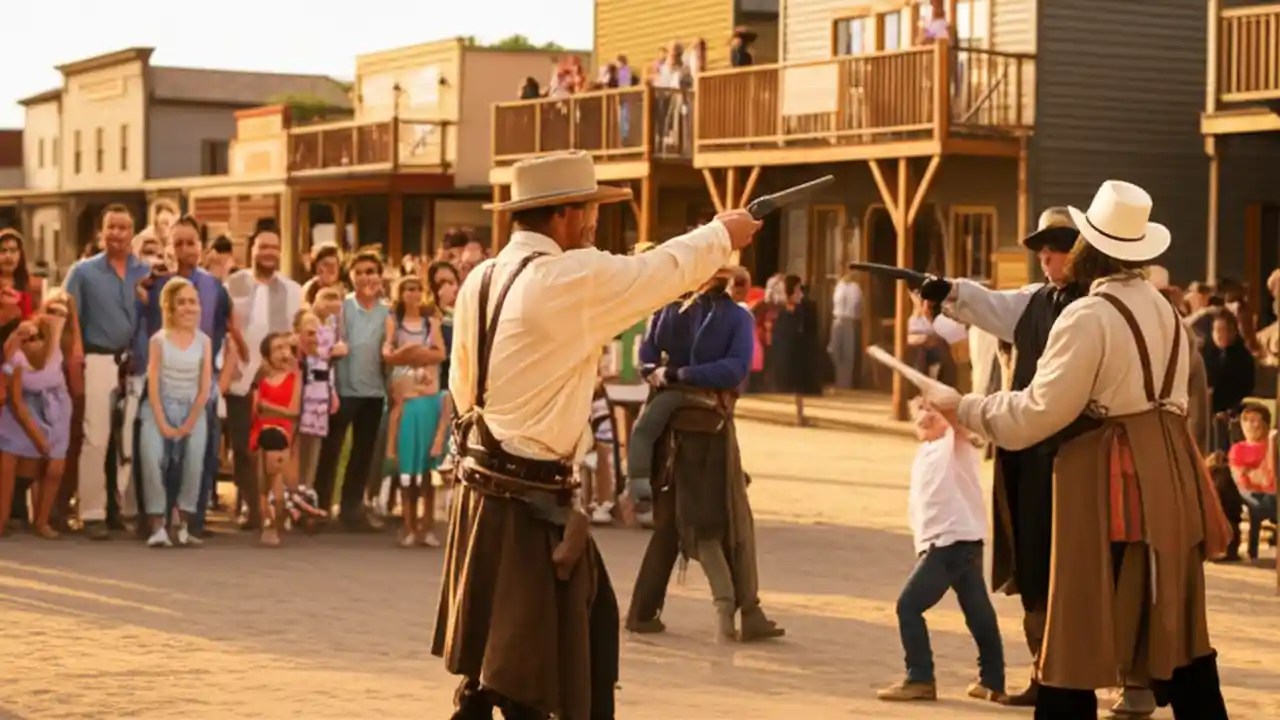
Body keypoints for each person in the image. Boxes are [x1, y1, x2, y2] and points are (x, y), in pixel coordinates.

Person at [432, 150, 760, 720]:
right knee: (538, 674)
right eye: (589, 211)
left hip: (491, 486)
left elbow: (463, 389)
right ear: (564, 216)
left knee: (541, 649)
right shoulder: (565, 277)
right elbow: (654, 274)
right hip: (524, 498)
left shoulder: (481, 277)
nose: (594, 224)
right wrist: (720, 234)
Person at [925, 180, 1231, 719]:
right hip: (1169, 472)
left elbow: (1038, 413)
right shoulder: (1166, 311)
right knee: (1174, 624)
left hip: (1105, 479)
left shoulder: (1087, 316)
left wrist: (966, 407)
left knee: (1077, 623)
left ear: (1089, 247)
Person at [917, 206, 1085, 706]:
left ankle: (1115, 679)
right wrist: (945, 291)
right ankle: (1044, 675)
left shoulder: (1094, 307)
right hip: (1027, 451)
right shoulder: (1034, 301)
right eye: (1043, 248)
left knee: (1083, 570)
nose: (1047, 257)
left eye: (1057, 246)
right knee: (1032, 565)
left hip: (1076, 456)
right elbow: (988, 304)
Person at [625, 266, 785, 643]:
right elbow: (734, 370)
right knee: (727, 522)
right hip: (709, 434)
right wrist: (683, 375)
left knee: (669, 526)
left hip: (669, 434)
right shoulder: (732, 317)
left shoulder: (668, 310)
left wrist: (670, 374)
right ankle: (744, 610)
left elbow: (647, 362)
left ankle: (642, 613)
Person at [877, 397, 1005, 703]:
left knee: (908, 606)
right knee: (977, 612)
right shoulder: (929, 450)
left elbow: (956, 416)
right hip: (957, 541)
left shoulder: (954, 442)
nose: (924, 416)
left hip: (950, 543)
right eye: (918, 410)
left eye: (931, 410)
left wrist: (948, 411)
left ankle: (919, 677)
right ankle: (992, 680)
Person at [63, 204, 151, 540]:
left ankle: (118, 508)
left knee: (125, 439)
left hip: (133, 364)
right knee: (96, 436)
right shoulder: (82, 272)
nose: (117, 233)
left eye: (123, 228)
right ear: (102, 232)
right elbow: (70, 323)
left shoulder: (142, 272)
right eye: (111, 227)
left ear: (132, 233)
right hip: (98, 359)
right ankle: (91, 511)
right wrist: (75, 363)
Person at [224, 222, 302, 530]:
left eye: (274, 248)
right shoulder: (233, 285)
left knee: (274, 447)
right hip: (241, 377)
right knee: (243, 446)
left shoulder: (293, 290)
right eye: (263, 247)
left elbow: (296, 335)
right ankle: (249, 505)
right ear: (252, 250)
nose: (269, 253)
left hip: (276, 381)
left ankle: (275, 507)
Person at [137, 278, 212, 548]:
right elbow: (153, 383)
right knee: (151, 458)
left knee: (194, 461)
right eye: (182, 302)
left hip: (193, 407)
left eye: (193, 302)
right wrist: (163, 423)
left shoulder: (204, 341)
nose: (188, 308)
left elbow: (205, 387)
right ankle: (157, 523)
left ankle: (181, 519)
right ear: (170, 307)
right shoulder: (159, 340)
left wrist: (189, 423)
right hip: (160, 405)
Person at [382, 275, 448, 548]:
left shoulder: (430, 322)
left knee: (427, 468)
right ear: (401, 293)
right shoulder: (393, 321)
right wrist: (413, 354)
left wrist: (409, 355)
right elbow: (388, 354)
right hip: (404, 389)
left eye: (417, 289)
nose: (413, 293)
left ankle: (427, 525)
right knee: (408, 467)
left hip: (428, 388)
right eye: (408, 289)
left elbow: (439, 354)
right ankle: (408, 524)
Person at [0, 298, 73, 540]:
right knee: (7, 463)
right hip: (23, 407)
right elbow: (16, 400)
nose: (56, 316)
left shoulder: (60, 344)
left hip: (56, 406)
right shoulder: (18, 349)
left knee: (54, 469)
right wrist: (38, 438)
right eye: (51, 311)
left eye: (62, 312)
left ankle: (41, 522)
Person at [250, 332, 301, 547]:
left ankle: (274, 519)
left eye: (285, 348)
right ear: (267, 356)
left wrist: (268, 408)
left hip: (281, 432)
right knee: (264, 480)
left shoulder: (294, 379)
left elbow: (293, 411)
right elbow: (255, 411)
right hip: (261, 430)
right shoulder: (260, 381)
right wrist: (264, 410)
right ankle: (267, 519)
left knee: (274, 472)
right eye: (277, 349)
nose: (283, 353)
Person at [1228, 401, 1277, 563]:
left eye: (1255, 420)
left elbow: (1272, 474)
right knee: (1255, 506)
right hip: (1247, 492)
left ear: (1265, 424)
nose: (1250, 425)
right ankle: (1252, 551)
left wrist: (1271, 445)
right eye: (1246, 420)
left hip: (1270, 492)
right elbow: (1239, 477)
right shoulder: (1237, 449)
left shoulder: (1271, 446)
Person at [828, 267, 863, 389]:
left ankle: (845, 384)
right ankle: (839, 379)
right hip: (837, 319)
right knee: (833, 349)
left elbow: (858, 305)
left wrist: (856, 317)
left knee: (848, 353)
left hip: (849, 320)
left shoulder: (856, 288)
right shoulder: (839, 286)